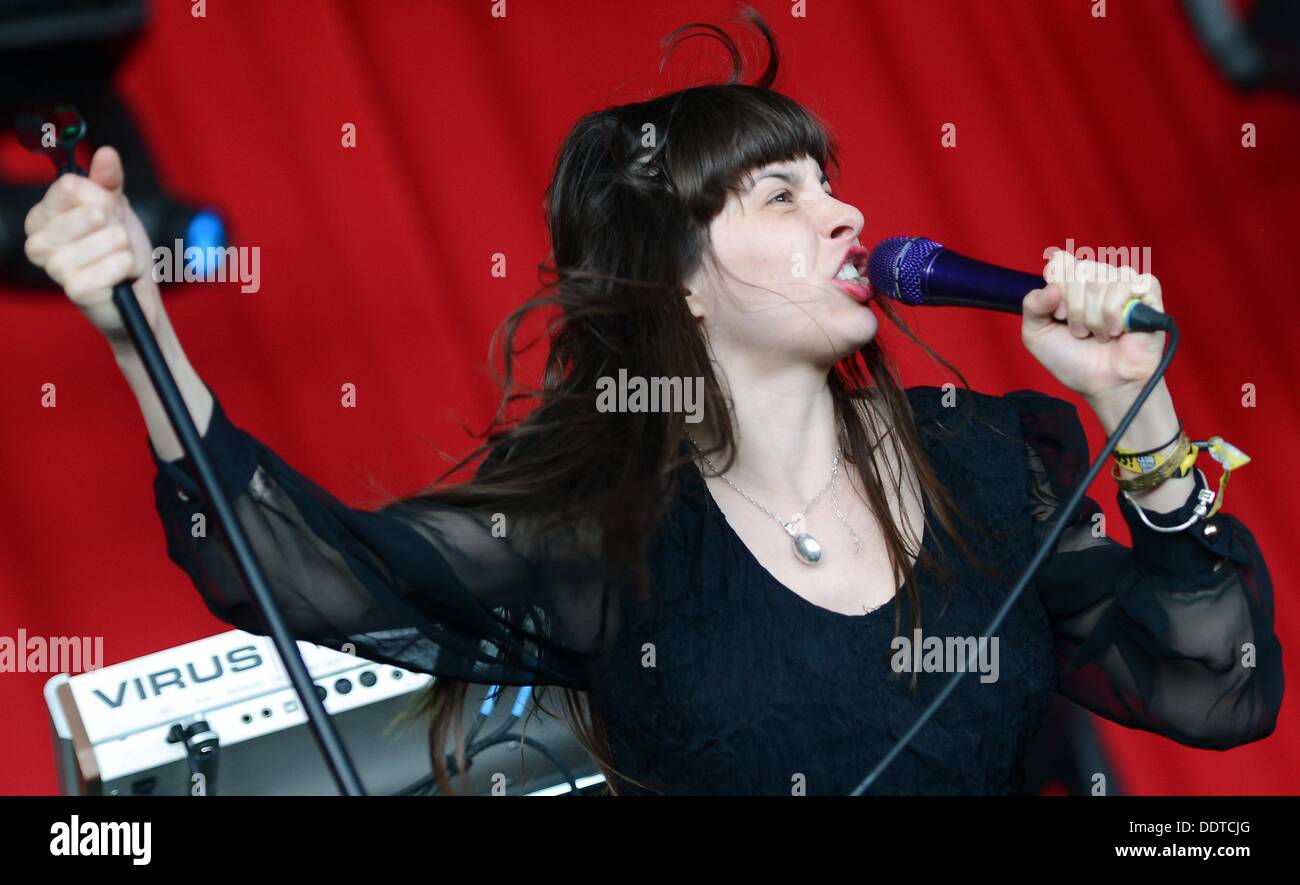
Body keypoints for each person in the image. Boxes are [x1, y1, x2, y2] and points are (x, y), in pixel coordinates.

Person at [23, 9, 1282, 796]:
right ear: (675, 285)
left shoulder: (989, 456)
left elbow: (1215, 692)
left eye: (829, 182)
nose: (844, 212)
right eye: (778, 195)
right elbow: (299, 570)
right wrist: (136, 334)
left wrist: (1145, 420)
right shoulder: (610, 537)